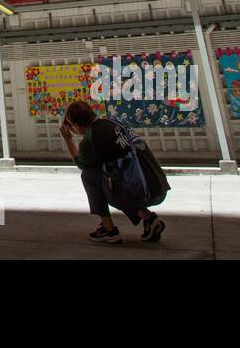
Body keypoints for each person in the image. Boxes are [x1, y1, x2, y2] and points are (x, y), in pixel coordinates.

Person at [60, 100, 168, 243]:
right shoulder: (113, 124)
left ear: (76, 125)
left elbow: (81, 163)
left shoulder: (90, 139)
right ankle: (148, 218)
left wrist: (68, 140)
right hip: (158, 187)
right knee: (112, 176)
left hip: (142, 193)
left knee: (89, 175)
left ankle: (109, 229)